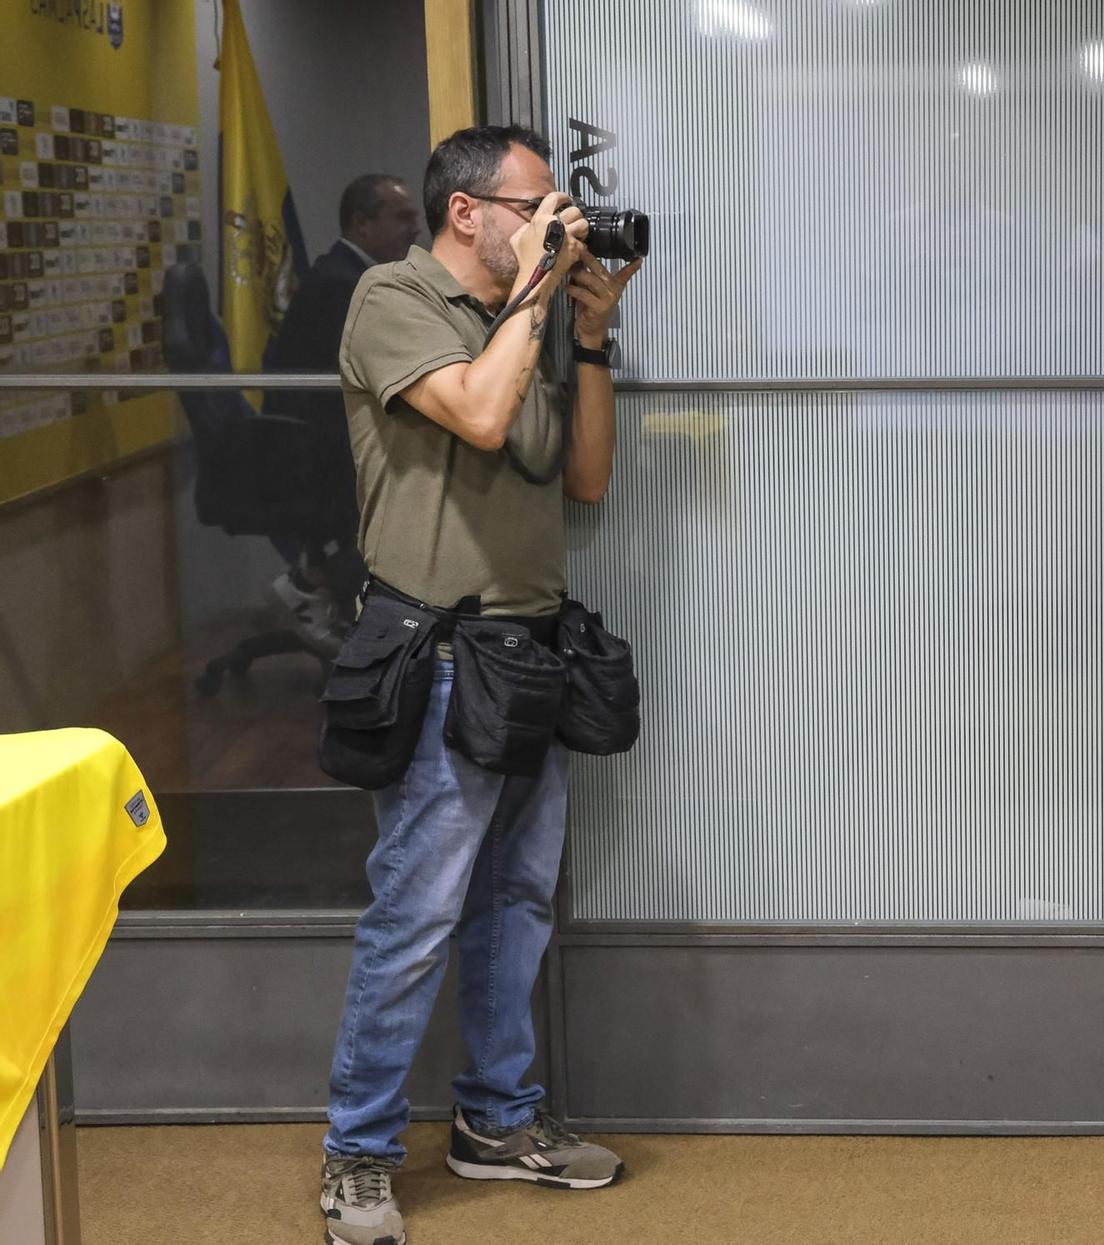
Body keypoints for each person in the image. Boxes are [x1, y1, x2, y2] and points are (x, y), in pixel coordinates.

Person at [318, 125, 643, 1245]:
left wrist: (590, 336)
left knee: (516, 905)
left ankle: (495, 1124)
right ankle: (357, 1154)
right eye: (536, 204)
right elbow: (481, 412)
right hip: (438, 655)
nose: (558, 222)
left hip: (529, 652)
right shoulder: (390, 301)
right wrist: (539, 297)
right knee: (415, 917)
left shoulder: (532, 317)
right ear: (468, 213)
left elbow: (585, 478)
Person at [262, 174, 423, 654]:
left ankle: (314, 578)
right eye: (402, 217)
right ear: (361, 223)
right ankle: (325, 591)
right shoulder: (345, 285)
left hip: (318, 442)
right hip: (314, 452)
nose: (416, 228)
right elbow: (360, 383)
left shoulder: (347, 275)